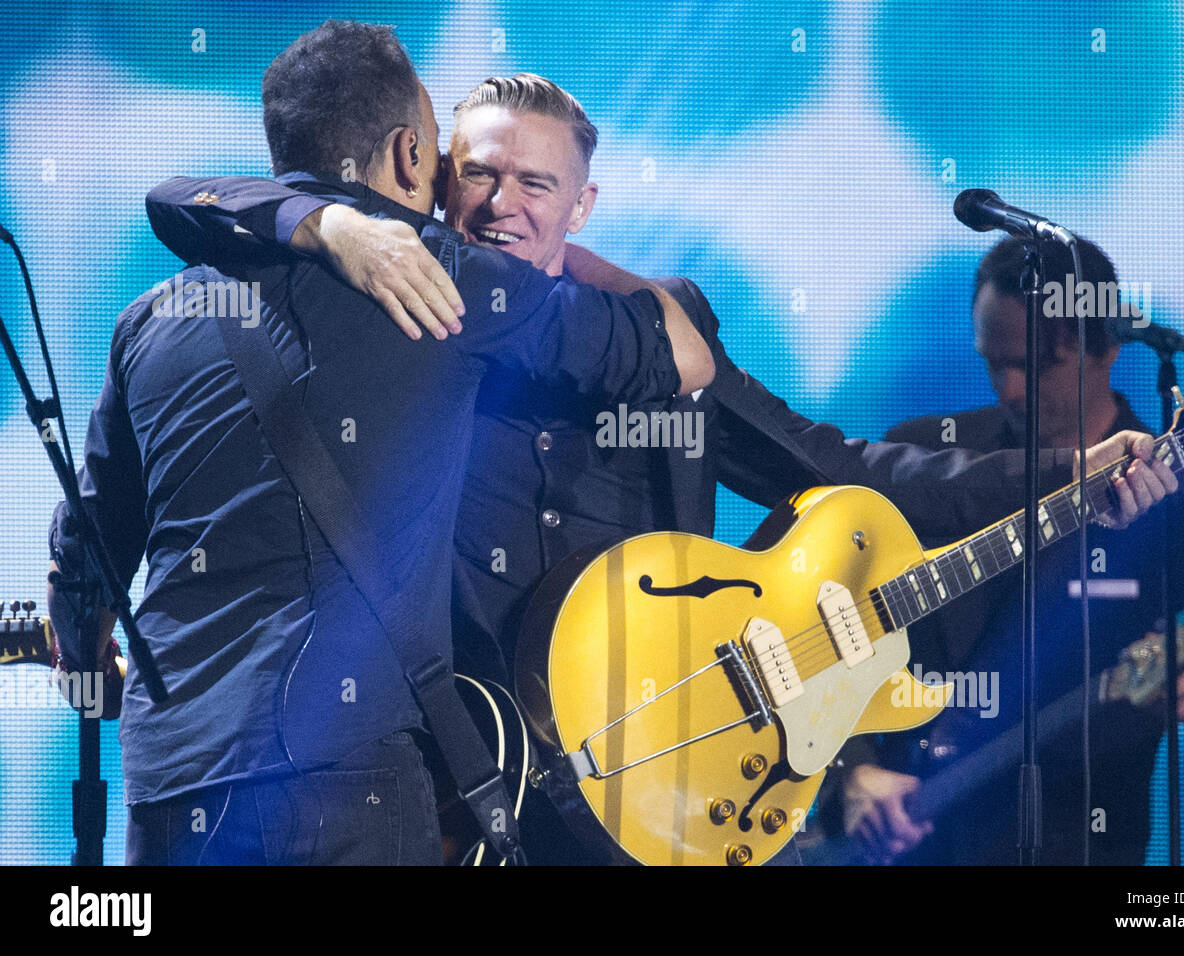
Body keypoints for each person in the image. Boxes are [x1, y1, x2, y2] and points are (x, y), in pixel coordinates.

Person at [142, 75, 1177, 863]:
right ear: (434, 185)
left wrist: (1066, 471)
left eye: (534, 182)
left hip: (668, 787)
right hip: (463, 788)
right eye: (480, 176)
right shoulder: (402, 314)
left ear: (582, 204)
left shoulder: (659, 330)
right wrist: (327, 219)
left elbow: (835, 466)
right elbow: (192, 195)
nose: (502, 203)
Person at [45, 20, 717, 866]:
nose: (445, 188)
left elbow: (86, 556)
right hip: (342, 779)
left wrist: (87, 655)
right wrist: (559, 239)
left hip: (170, 785)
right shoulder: (448, 282)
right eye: (439, 158)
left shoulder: (149, 324)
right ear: (406, 153)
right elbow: (683, 357)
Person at [819, 236, 1184, 866]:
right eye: (995, 363)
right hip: (903, 843)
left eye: (1035, 364)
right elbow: (827, 629)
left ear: (1107, 347)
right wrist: (852, 773)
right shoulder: (926, 461)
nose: (1011, 389)